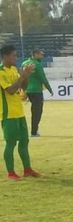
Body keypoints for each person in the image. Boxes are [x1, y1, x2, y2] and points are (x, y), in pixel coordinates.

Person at [1, 44, 40, 179]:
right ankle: (11, 172)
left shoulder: (14, 69)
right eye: (14, 55)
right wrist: (22, 76)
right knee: (11, 143)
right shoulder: (1, 72)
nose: (16, 58)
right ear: (5, 56)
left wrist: (26, 75)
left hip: (19, 112)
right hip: (8, 114)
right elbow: (10, 90)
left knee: (24, 141)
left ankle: (27, 169)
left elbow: (24, 86)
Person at [23, 48, 53, 137]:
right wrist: (49, 89)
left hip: (28, 90)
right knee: (37, 112)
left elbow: (22, 76)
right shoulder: (37, 64)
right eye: (41, 54)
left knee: (34, 110)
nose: (42, 56)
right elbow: (42, 78)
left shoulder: (24, 63)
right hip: (36, 90)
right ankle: (34, 132)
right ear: (35, 54)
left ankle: (33, 131)